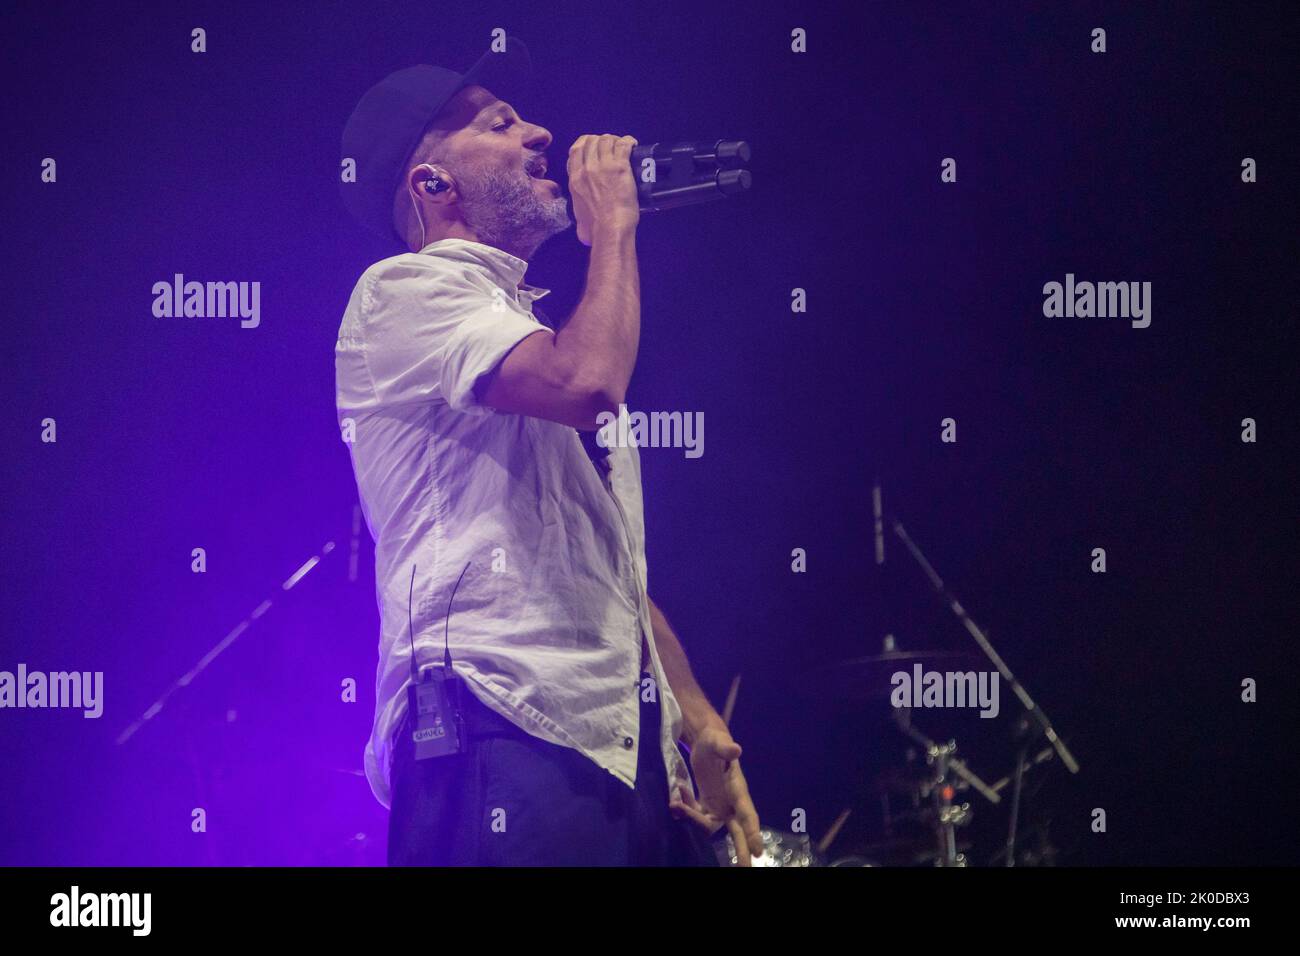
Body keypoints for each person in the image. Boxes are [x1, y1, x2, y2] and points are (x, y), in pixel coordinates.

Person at [336, 40, 762, 866]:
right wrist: (615, 228)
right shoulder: (404, 291)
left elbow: (608, 564)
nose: (539, 134)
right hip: (498, 722)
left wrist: (697, 723)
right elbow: (588, 382)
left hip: (621, 747)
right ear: (433, 184)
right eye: (501, 124)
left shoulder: (518, 326)